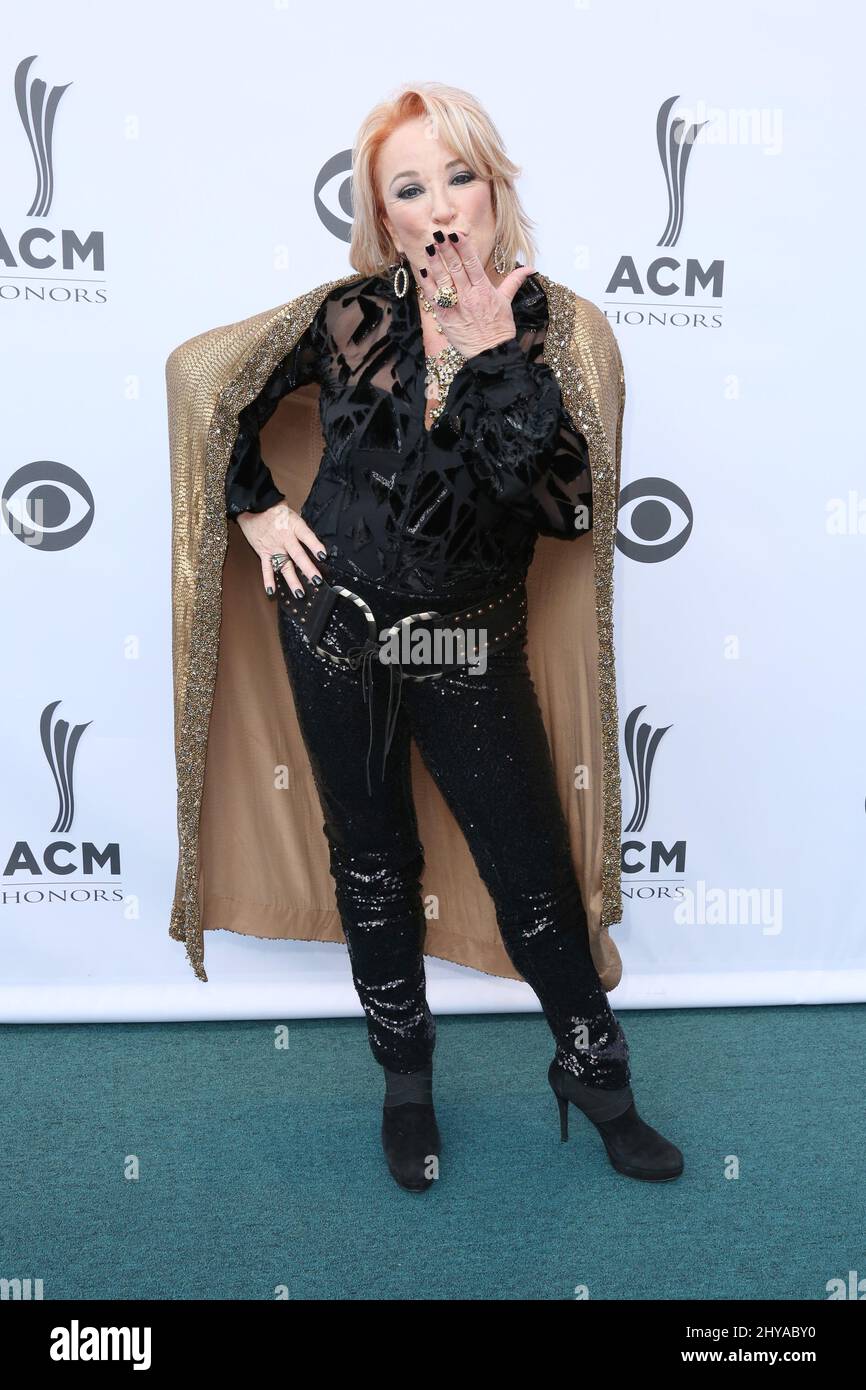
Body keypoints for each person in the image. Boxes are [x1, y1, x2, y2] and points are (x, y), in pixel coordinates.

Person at [166, 81, 683, 1191]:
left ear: (493, 193)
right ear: (383, 212)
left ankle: (595, 1075)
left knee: (530, 871)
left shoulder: (561, 332)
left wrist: (495, 352)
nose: (439, 204)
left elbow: (561, 508)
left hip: (464, 646)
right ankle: (405, 1087)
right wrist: (257, 508)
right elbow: (205, 385)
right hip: (335, 631)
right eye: (411, 186)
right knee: (370, 864)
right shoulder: (348, 315)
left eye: (459, 177)